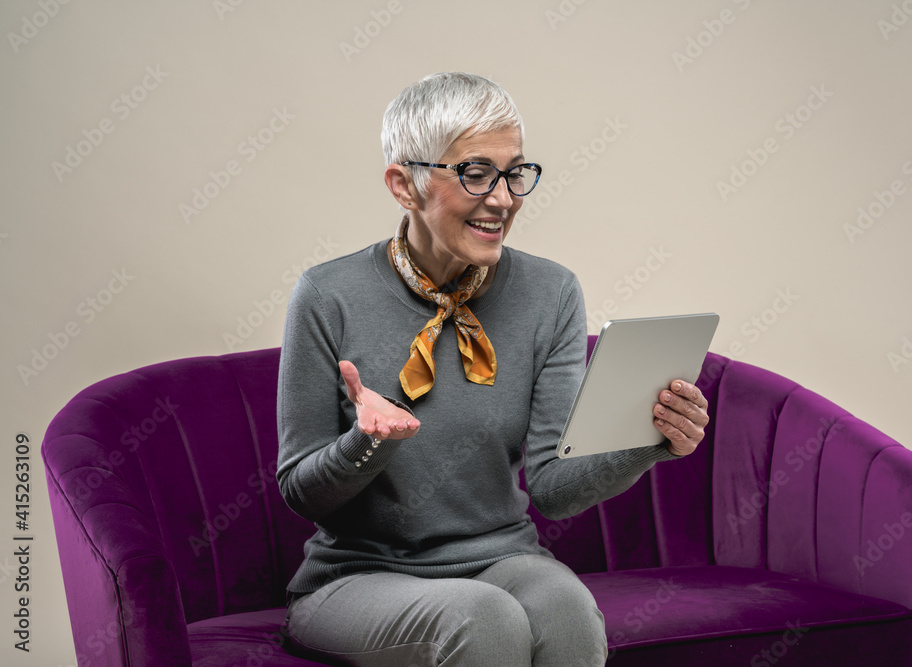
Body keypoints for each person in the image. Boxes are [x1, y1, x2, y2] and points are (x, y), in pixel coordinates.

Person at [276, 72, 709, 666]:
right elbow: (301, 492)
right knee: (482, 618)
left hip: (503, 560)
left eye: (514, 173)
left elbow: (553, 491)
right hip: (356, 578)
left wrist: (648, 439)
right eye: (476, 174)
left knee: (566, 609)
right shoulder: (328, 295)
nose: (504, 199)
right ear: (405, 185)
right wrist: (364, 443)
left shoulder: (550, 292)